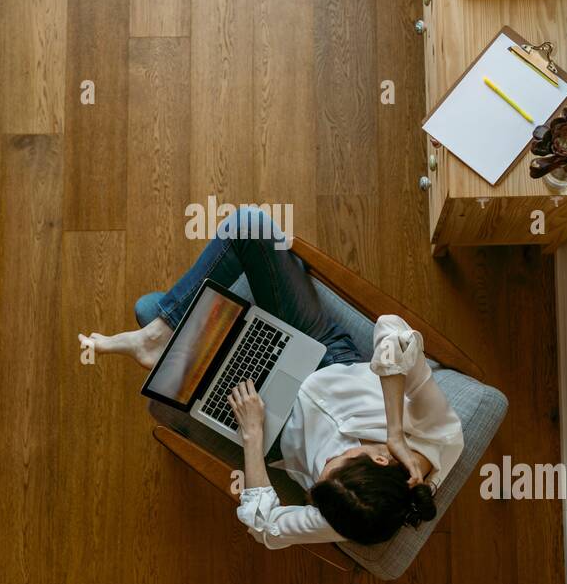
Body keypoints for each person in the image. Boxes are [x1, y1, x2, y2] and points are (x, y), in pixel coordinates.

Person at [85, 206, 464, 551]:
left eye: (318, 477)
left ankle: (160, 329)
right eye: (338, 458)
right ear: (380, 459)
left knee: (147, 307)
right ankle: (157, 336)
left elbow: (266, 527)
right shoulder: (440, 433)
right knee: (249, 225)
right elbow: (393, 333)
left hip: (271, 422)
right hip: (325, 352)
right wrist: (396, 429)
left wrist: (252, 435)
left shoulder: (346, 515)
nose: (326, 461)